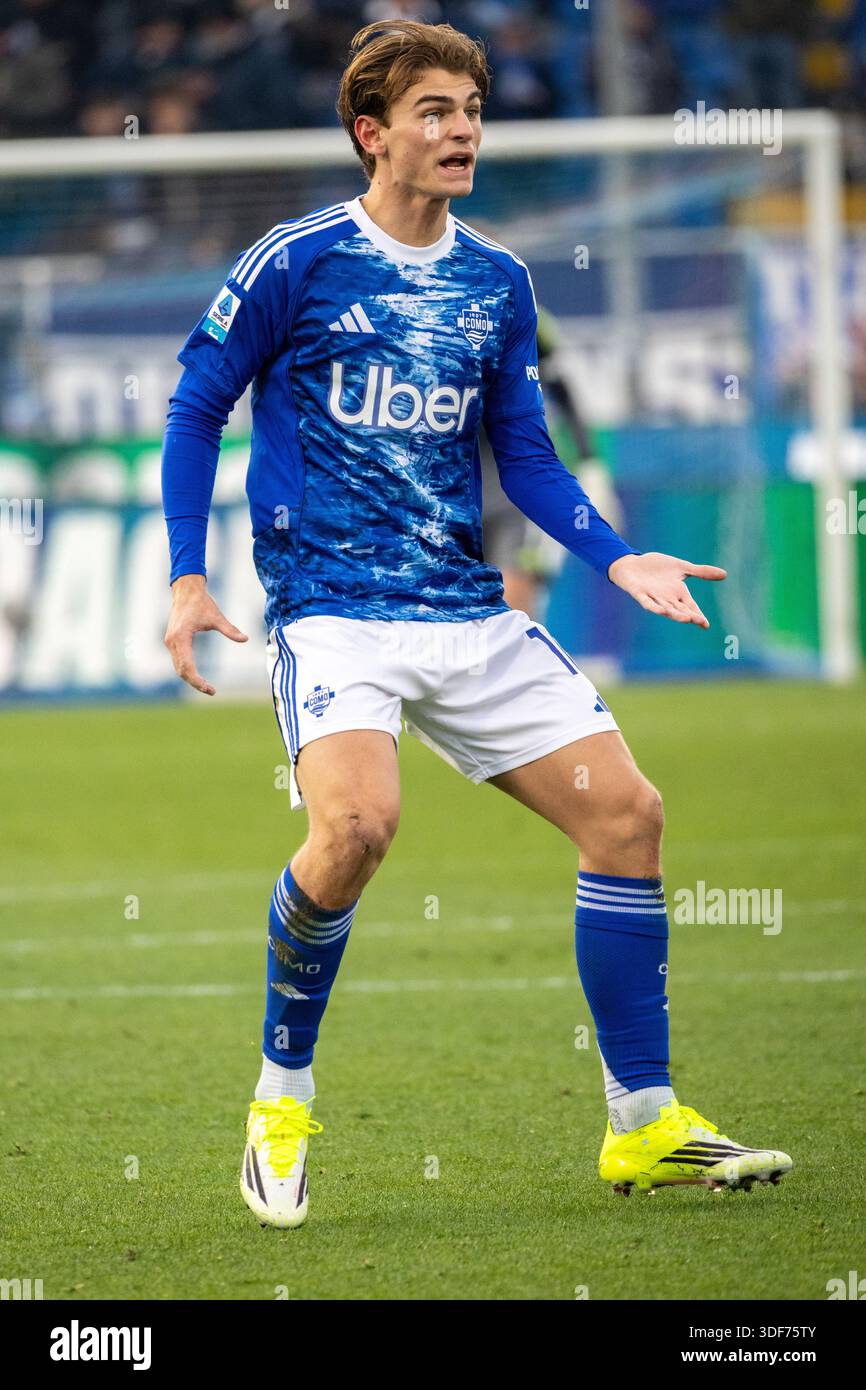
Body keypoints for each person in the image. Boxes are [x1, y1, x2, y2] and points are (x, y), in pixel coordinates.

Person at [161, 19, 792, 1229]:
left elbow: (527, 458)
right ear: (372, 133)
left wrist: (614, 554)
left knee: (628, 815)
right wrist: (190, 577)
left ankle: (643, 1123)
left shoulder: (496, 279)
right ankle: (280, 1094)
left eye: (470, 109)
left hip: (464, 609)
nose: (462, 131)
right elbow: (195, 407)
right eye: (435, 111)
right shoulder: (295, 259)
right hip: (335, 612)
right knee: (355, 828)